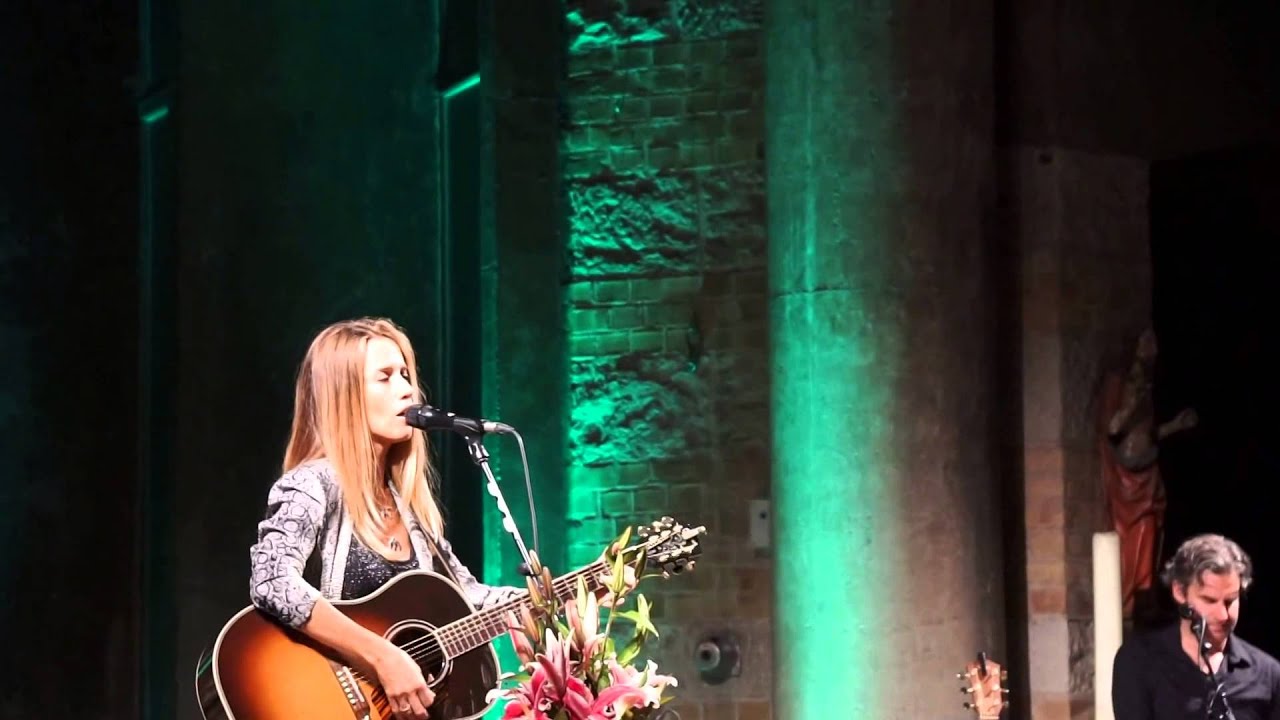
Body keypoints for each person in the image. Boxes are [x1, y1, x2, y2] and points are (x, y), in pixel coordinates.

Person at [1111, 533, 1280, 719]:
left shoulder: (1268, 673)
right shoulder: (1139, 660)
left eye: (1230, 601)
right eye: (1209, 600)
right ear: (1179, 592)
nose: (1223, 615)